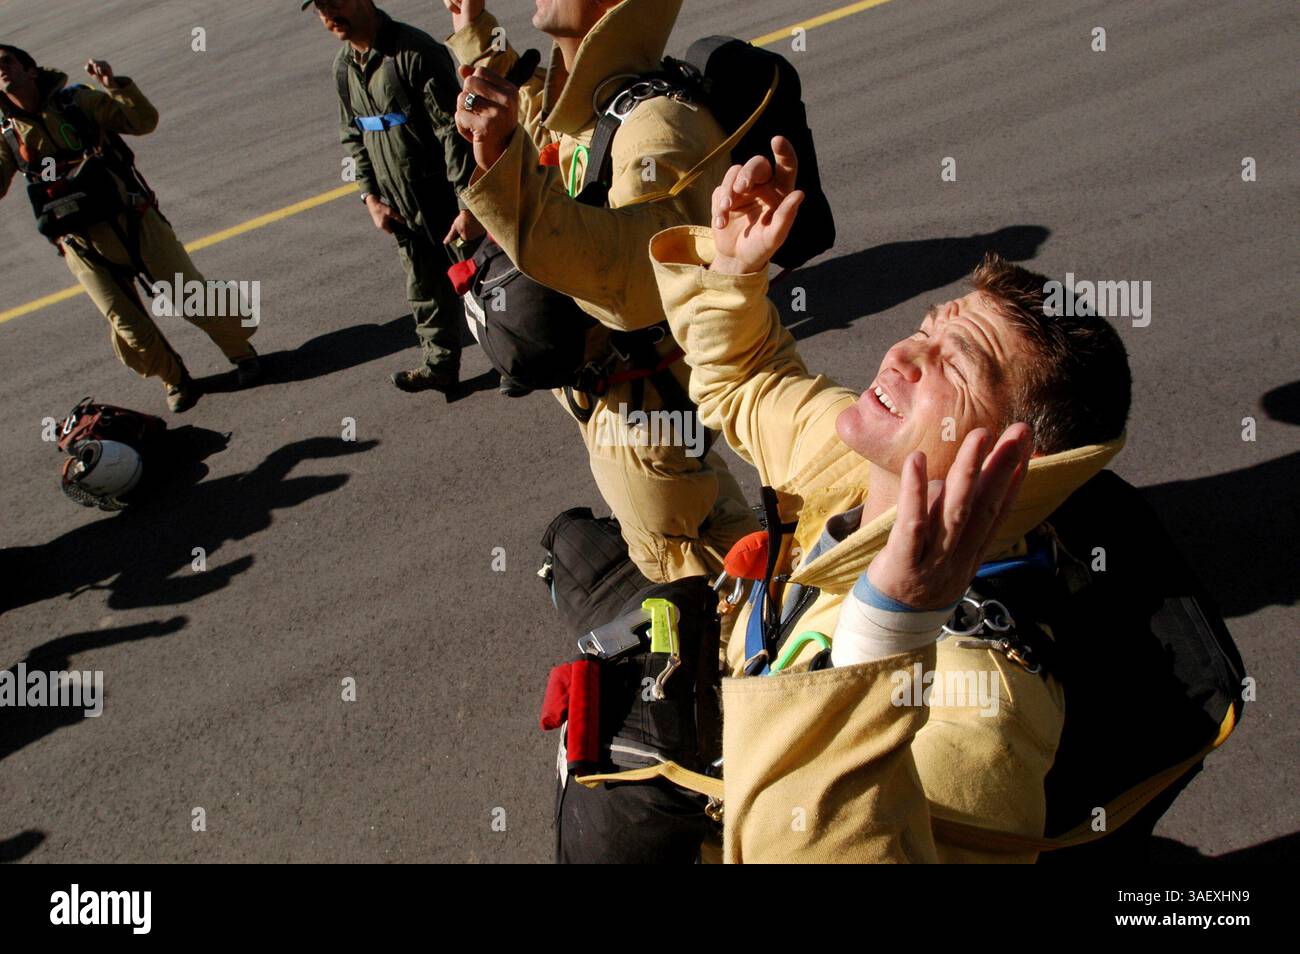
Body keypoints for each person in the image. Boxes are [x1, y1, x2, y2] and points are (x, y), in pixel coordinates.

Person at [641, 136, 1134, 862]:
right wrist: (732, 270)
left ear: (1014, 460)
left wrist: (885, 638)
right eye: (926, 328)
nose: (901, 354)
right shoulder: (851, 463)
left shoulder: (988, 701)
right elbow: (746, 378)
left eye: (953, 364)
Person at [442, 0, 758, 583]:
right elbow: (540, 109)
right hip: (634, 403)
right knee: (719, 528)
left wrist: (501, 165)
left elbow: (631, 283)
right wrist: (475, 37)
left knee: (702, 589)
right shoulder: (606, 101)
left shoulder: (655, 124)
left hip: (642, 417)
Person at [0, 45, 260, 413]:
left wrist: (116, 86)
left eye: (6, 61)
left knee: (189, 291)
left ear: (29, 69)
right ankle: (175, 379)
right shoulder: (8, 134)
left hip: (133, 218)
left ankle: (242, 353)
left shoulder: (75, 101)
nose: (1, 71)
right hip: (79, 242)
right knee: (127, 325)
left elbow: (142, 121)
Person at [306, 0, 477, 394]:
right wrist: (370, 199)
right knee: (424, 292)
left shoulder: (415, 53)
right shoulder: (344, 68)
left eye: (336, 3)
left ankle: (517, 361)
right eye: (320, 9)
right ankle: (440, 367)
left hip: (446, 201)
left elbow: (455, 134)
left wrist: (468, 205)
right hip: (400, 208)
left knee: (485, 285)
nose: (329, 16)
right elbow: (353, 136)